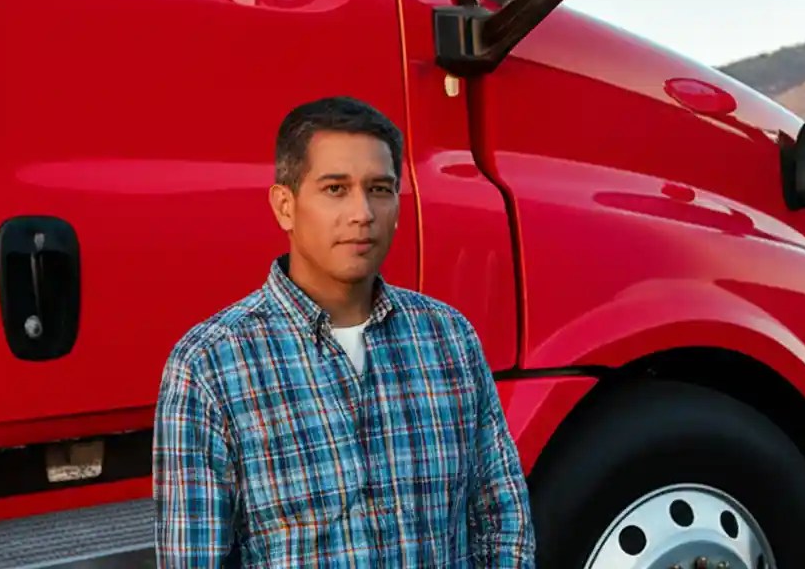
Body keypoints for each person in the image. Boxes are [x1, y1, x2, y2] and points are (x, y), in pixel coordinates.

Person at [152, 96, 535, 568]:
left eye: (379, 189)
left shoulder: (448, 340)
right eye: (335, 189)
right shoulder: (211, 366)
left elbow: (502, 518)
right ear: (285, 206)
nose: (362, 213)